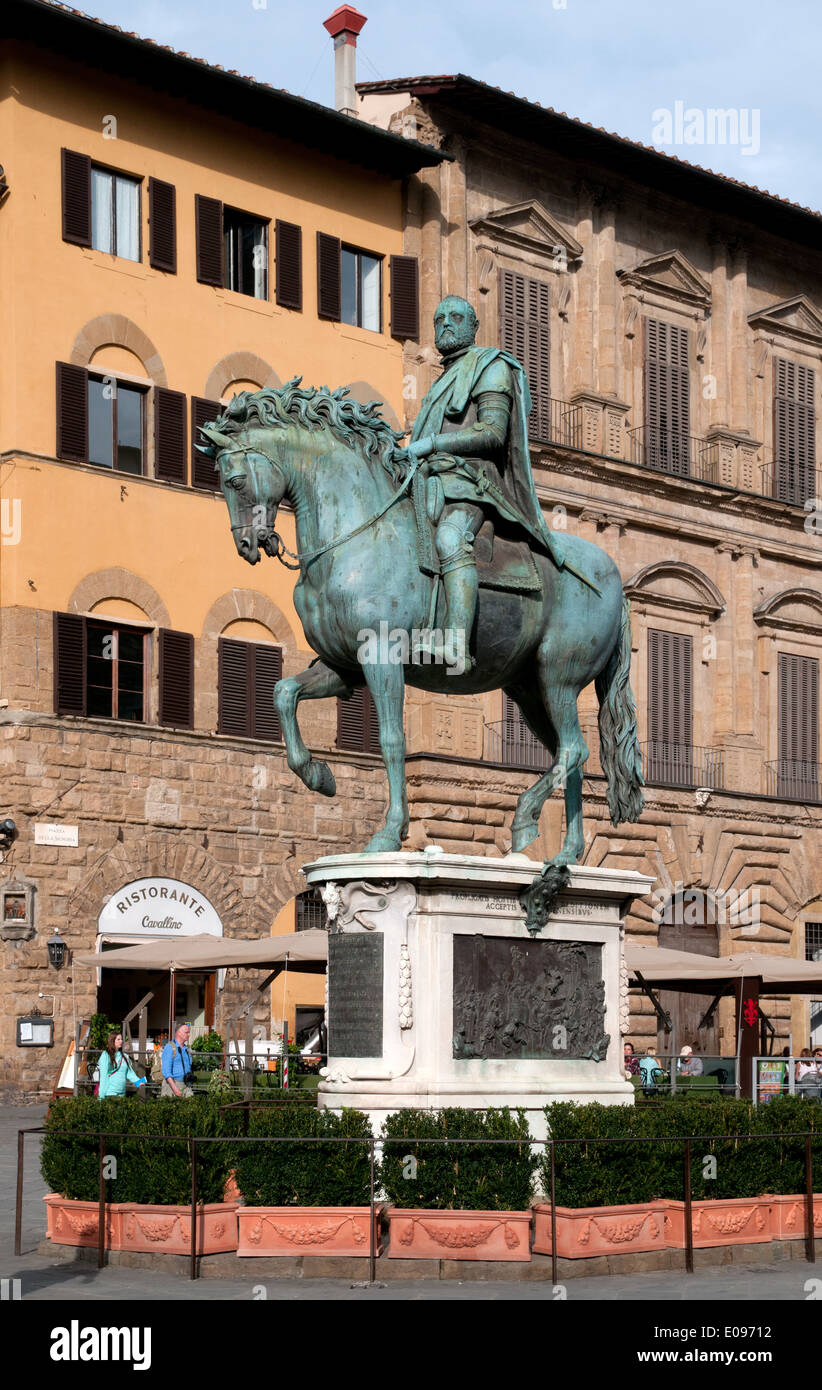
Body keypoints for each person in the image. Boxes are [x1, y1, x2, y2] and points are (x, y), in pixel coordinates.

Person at [393, 295, 589, 670]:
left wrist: (432, 444)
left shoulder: (491, 366)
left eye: (455, 317)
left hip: (471, 486)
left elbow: (493, 433)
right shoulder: (440, 382)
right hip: (431, 482)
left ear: (473, 326)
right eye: (439, 319)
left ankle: (455, 646)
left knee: (450, 538)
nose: (445, 324)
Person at [97, 1031, 147, 1099]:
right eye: (118, 1039)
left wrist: (138, 1082)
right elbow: (103, 1076)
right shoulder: (105, 1055)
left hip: (122, 1094)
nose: (121, 1041)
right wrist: (101, 1096)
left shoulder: (125, 1056)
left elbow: (129, 1073)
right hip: (109, 1093)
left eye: (121, 1039)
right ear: (112, 1041)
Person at [161, 1023, 194, 1099]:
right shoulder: (170, 1048)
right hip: (173, 1085)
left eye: (189, 1032)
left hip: (186, 1084)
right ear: (178, 1033)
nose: (189, 1034)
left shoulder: (186, 1049)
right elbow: (166, 1072)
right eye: (186, 1032)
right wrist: (175, 1089)